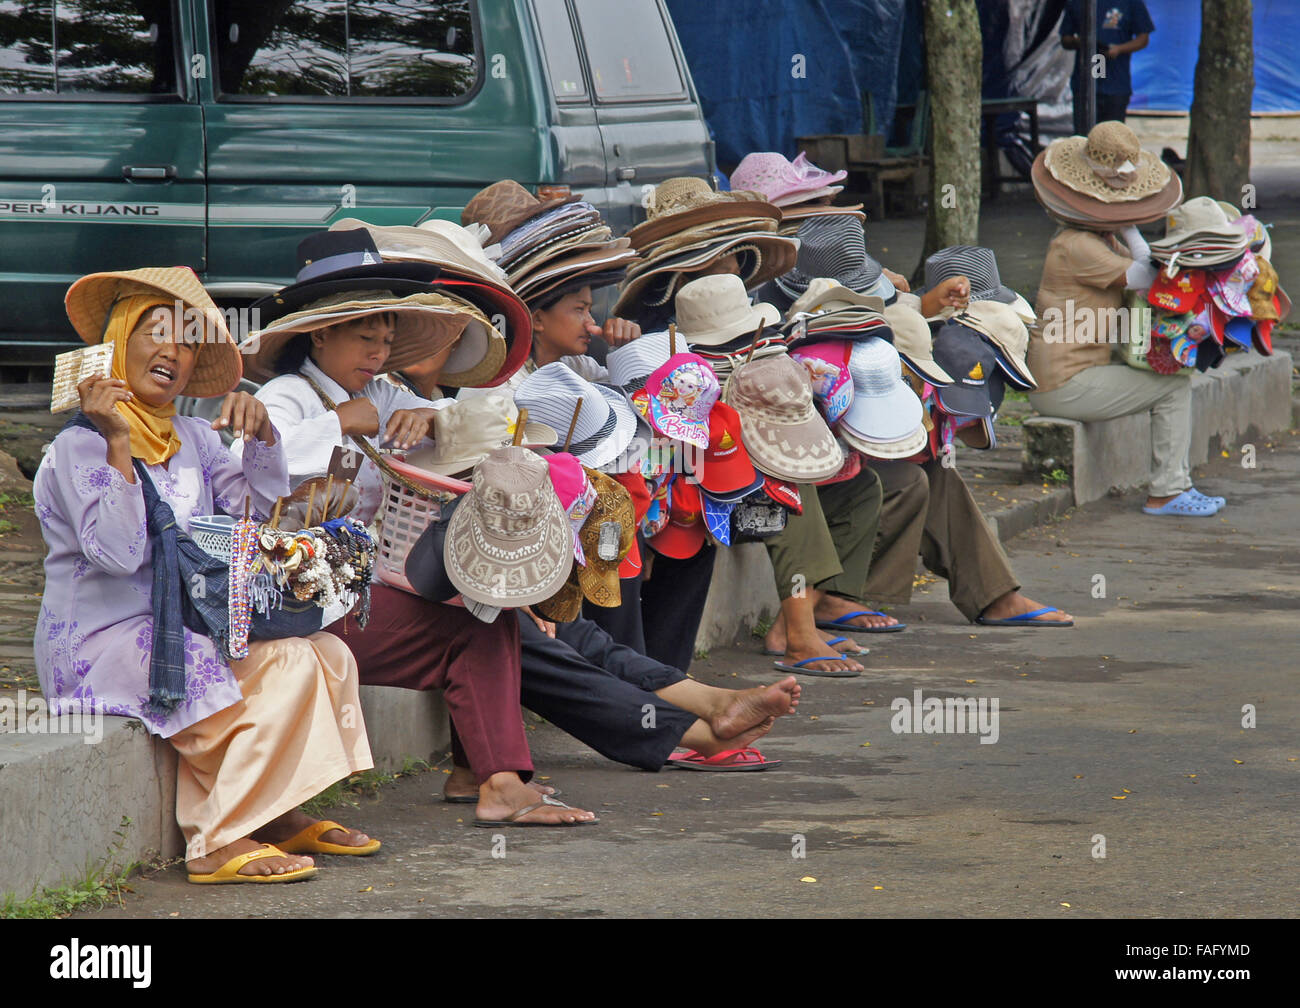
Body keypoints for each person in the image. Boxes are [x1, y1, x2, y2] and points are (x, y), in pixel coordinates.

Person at [243, 230, 599, 826]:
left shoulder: (380, 393)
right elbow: (253, 469)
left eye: (386, 341)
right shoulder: (286, 397)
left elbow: (477, 421)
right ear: (321, 331)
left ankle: (482, 773)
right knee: (471, 630)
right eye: (365, 337)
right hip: (291, 597)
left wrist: (429, 418)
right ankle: (495, 779)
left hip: (355, 584)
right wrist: (335, 425)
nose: (379, 354)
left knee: (487, 608)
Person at [35, 268, 378, 884]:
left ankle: (273, 813)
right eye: (155, 332)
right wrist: (118, 441)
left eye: (188, 341)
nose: (173, 350)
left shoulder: (192, 435)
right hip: (101, 643)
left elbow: (252, 510)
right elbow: (115, 553)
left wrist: (265, 432)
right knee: (290, 665)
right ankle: (218, 840)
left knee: (326, 651)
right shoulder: (78, 447)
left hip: (186, 622)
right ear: (118, 341)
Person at [1026, 122, 1213, 517]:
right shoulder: (1076, 245)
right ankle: (1168, 490)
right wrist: (1130, 227)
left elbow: (1153, 286)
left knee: (1173, 379)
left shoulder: (1096, 240)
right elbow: (1147, 276)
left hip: (1079, 375)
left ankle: (1173, 486)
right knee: (1173, 389)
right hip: (1063, 384)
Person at [1061, 0, 1154, 132]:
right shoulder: (1079, 3)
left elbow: (1143, 37)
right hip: (1085, 83)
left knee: (1112, 137)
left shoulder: (1130, 3)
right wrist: (1081, 42)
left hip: (1115, 82)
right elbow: (1065, 38)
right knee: (1084, 138)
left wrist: (1119, 49)